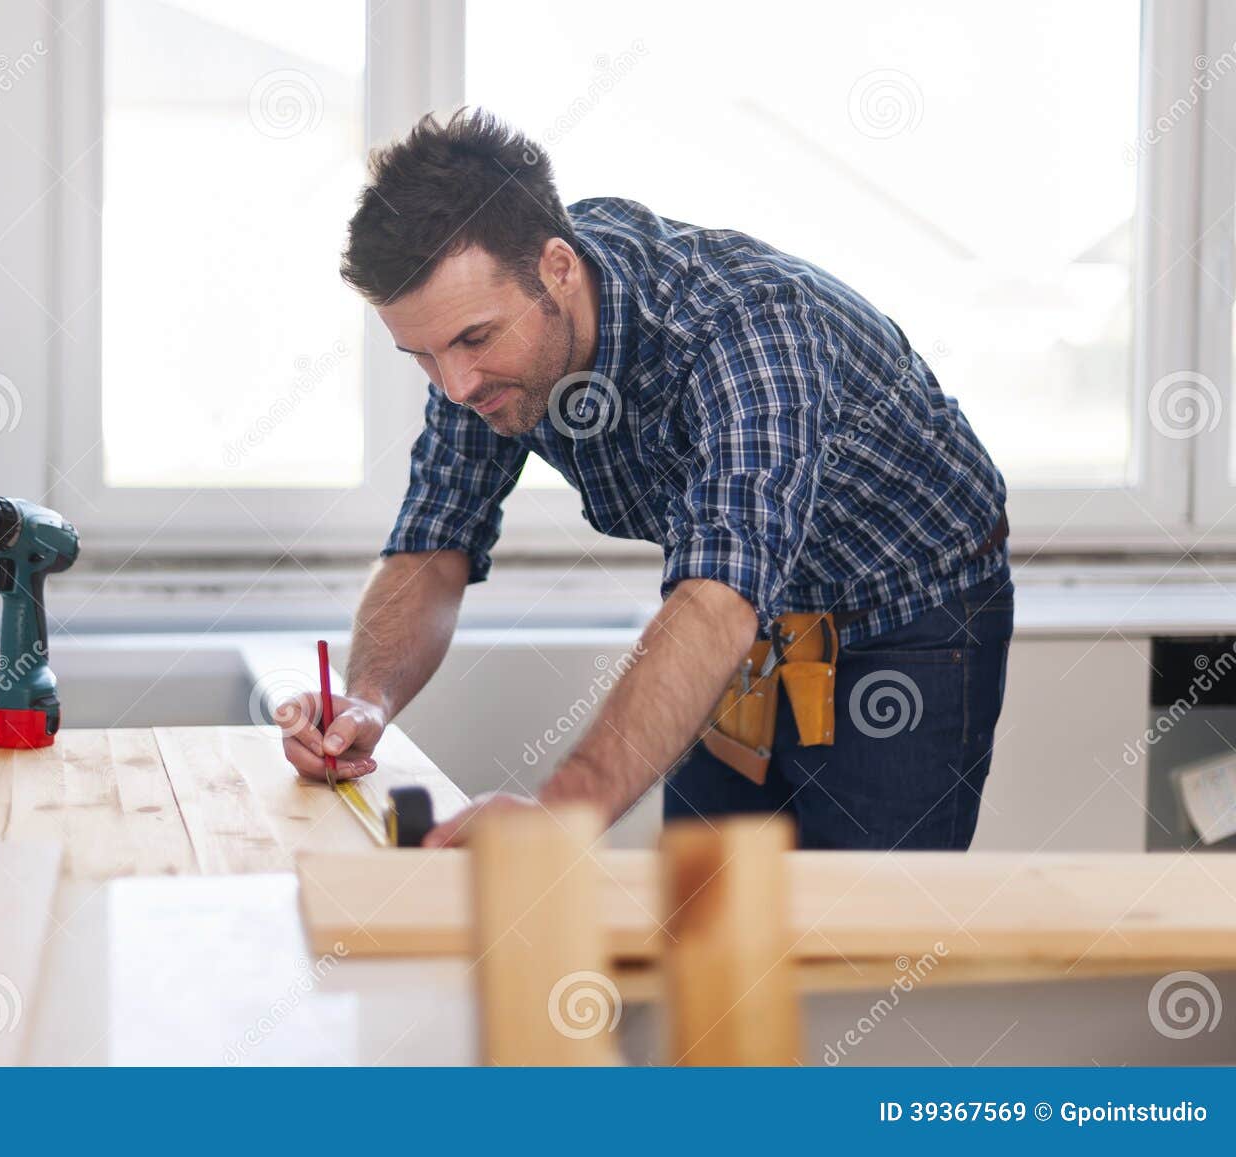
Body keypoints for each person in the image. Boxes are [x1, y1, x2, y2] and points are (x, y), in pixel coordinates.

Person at [278, 109, 1013, 851]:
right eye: (424, 356)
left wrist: (564, 812)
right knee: (701, 921)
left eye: (474, 339)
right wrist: (365, 701)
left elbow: (722, 594)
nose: (456, 384)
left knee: (865, 941)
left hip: (906, 612)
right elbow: (435, 541)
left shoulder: (747, 325)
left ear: (558, 269)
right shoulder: (481, 346)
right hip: (746, 626)